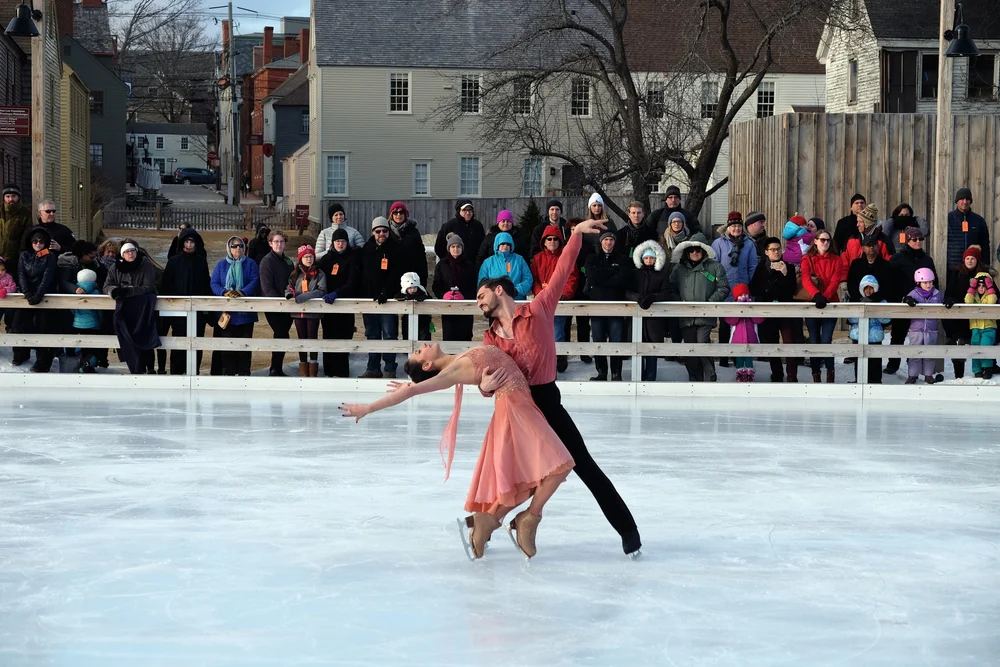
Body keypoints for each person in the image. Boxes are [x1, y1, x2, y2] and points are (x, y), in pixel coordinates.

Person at [472, 217, 642, 557]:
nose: (478, 301)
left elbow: (562, 270)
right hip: (516, 410)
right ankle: (491, 523)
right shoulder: (489, 338)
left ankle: (628, 531)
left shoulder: (538, 311)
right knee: (522, 476)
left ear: (499, 290)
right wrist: (485, 388)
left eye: (480, 294)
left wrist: (576, 235)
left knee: (582, 464)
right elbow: (483, 380)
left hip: (547, 402)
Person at [342, 343, 575, 559]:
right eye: (418, 352)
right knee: (558, 465)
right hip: (515, 410)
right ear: (427, 365)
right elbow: (412, 393)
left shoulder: (458, 359)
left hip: (522, 405)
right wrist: (369, 407)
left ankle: (488, 520)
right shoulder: (452, 372)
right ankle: (528, 518)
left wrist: (413, 385)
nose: (421, 346)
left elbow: (415, 388)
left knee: (540, 473)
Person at [669, 239, 730, 382]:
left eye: (698, 250)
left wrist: (709, 303)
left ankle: (709, 374)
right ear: (687, 252)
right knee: (690, 346)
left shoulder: (715, 267)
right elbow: (671, 288)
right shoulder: (679, 269)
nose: (695, 253)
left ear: (704, 251)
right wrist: (679, 302)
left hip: (706, 314)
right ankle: (694, 377)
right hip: (686, 315)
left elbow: (724, 287)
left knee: (702, 342)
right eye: (692, 250)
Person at [157, 227, 211, 375]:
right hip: (178, 311)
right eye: (187, 241)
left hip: (198, 311)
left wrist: (208, 311)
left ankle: (194, 373)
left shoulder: (201, 262)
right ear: (182, 243)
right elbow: (166, 286)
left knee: (196, 342)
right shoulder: (174, 261)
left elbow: (206, 285)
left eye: (192, 242)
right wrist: (166, 311)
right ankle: (176, 373)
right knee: (178, 343)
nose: (189, 244)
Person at [886, 226, 938, 374]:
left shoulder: (927, 259)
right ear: (907, 240)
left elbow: (934, 281)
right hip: (903, 302)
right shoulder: (897, 258)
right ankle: (893, 364)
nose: (918, 242)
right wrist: (899, 298)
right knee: (898, 334)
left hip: (923, 304)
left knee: (920, 335)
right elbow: (890, 282)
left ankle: (915, 362)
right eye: (914, 239)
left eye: (920, 239)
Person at [105, 242, 159, 374]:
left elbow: (148, 286)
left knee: (145, 338)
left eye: (132, 251)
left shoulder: (145, 265)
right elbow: (107, 285)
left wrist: (128, 291)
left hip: (143, 309)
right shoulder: (115, 267)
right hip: (124, 311)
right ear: (122, 254)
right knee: (127, 340)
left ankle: (150, 368)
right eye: (127, 252)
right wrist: (114, 291)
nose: (130, 254)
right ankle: (136, 369)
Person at [749, 237, 799, 382]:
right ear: (766, 252)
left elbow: (792, 291)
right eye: (773, 250)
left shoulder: (788, 267)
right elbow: (754, 289)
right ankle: (777, 374)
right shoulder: (761, 268)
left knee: (789, 343)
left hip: (785, 311)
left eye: (778, 249)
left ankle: (792, 376)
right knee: (772, 343)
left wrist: (785, 275)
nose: (777, 252)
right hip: (768, 311)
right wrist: (769, 280)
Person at [800, 230, 847, 383]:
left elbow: (835, 281)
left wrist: (825, 296)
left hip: (830, 303)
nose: (825, 242)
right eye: (822, 240)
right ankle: (816, 374)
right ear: (815, 241)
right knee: (814, 340)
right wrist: (816, 295)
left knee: (826, 340)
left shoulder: (837, 259)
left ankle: (830, 373)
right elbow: (805, 279)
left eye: (827, 240)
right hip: (812, 303)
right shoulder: (807, 258)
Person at [712, 211, 758, 366]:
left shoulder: (749, 244)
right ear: (728, 227)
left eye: (739, 226)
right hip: (724, 290)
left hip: (742, 291)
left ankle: (740, 357)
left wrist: (749, 285)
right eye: (733, 226)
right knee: (724, 325)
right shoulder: (718, 244)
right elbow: (714, 266)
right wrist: (717, 284)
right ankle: (724, 357)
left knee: (740, 325)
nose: (736, 229)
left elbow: (752, 265)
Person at [584, 231, 631, 381]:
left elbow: (622, 280)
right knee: (598, 340)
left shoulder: (623, 259)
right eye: (606, 240)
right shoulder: (592, 258)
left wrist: (601, 276)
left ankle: (616, 372)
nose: (608, 243)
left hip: (616, 306)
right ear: (601, 242)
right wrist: (612, 271)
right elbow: (592, 277)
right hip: (597, 306)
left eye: (611, 240)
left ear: (614, 242)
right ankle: (602, 372)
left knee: (616, 340)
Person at [531, 224, 579, 373]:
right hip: (542, 301)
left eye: (555, 239)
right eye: (549, 239)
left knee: (558, 332)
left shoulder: (565, 257)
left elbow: (572, 277)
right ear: (544, 241)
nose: (552, 242)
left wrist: (565, 294)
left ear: (560, 241)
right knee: (540, 333)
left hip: (558, 301)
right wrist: (540, 294)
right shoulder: (537, 258)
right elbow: (534, 279)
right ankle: (543, 361)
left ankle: (559, 359)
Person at [210, 236, 260, 376]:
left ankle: (244, 373)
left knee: (244, 345)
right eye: (234, 246)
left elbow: (255, 280)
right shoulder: (221, 265)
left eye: (241, 246)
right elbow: (214, 283)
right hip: (227, 313)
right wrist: (224, 292)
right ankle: (228, 373)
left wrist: (242, 292)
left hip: (245, 313)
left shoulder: (251, 264)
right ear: (229, 248)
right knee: (228, 346)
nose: (238, 248)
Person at [359, 216, 402, 379]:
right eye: (378, 231)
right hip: (370, 299)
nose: (382, 234)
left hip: (388, 300)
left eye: (385, 230)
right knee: (372, 333)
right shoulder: (367, 248)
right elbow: (362, 273)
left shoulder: (395, 249)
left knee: (389, 334)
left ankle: (390, 368)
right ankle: (373, 367)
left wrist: (387, 291)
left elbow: (396, 274)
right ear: (373, 232)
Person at [11, 228, 58, 371]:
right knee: (18, 325)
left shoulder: (50, 256)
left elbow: (47, 276)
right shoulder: (24, 255)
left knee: (43, 328)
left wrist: (38, 295)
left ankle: (42, 362)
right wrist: (26, 292)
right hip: (27, 295)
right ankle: (20, 354)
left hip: (44, 296)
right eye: (35, 241)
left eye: (41, 241)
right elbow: (21, 274)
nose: (38, 244)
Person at [943, 246, 991, 379]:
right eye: (967, 258)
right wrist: (950, 299)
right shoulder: (956, 273)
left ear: (977, 260)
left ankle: (984, 370)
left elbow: (994, 292)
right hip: (960, 318)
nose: (970, 261)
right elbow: (949, 291)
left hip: (979, 317)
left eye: (973, 258)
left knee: (983, 343)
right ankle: (959, 376)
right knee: (959, 346)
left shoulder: (984, 275)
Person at [626, 241, 671, 381]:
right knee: (637, 347)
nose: (649, 260)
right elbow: (626, 291)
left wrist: (653, 297)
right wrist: (637, 297)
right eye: (646, 258)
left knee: (652, 348)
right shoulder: (634, 274)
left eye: (652, 258)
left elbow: (667, 293)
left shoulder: (661, 275)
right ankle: (637, 376)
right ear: (642, 259)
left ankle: (651, 377)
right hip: (637, 316)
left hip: (654, 318)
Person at [317, 228, 359, 377]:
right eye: (337, 241)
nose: (340, 244)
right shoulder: (326, 259)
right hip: (328, 304)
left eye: (343, 241)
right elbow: (320, 279)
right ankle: (328, 370)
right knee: (329, 335)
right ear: (332, 243)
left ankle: (342, 372)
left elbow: (352, 282)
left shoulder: (352, 258)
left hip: (345, 303)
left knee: (344, 336)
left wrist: (338, 293)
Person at [388, 201, 430, 340]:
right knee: (392, 314)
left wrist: (421, 280)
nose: (398, 215)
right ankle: (395, 346)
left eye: (401, 212)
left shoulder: (413, 231)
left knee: (411, 313)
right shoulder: (387, 231)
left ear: (406, 214)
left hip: (412, 278)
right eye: (395, 212)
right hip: (393, 277)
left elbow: (421, 255)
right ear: (391, 215)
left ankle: (411, 343)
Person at [285, 244, 326, 377]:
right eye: (306, 257)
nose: (309, 259)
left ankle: (313, 367)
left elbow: (321, 290)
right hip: (298, 313)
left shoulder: (319, 273)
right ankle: (303, 368)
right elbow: (289, 286)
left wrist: (303, 297)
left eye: (311, 256)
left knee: (312, 338)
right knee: (301, 339)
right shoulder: (295, 274)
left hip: (313, 312)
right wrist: (289, 294)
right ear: (301, 259)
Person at [258, 230, 295, 376]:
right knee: (281, 334)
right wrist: (278, 303)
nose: (279, 244)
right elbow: (267, 287)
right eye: (276, 241)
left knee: (282, 335)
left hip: (287, 305)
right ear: (270, 243)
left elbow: (293, 280)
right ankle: (275, 368)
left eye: (282, 241)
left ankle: (276, 367)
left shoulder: (288, 261)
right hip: (273, 305)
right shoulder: (267, 261)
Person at [902, 268, 945, 384]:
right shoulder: (914, 294)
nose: (928, 285)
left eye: (930, 282)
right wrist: (907, 300)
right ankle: (913, 375)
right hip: (916, 328)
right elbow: (905, 302)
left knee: (929, 352)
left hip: (931, 328)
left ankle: (928, 375)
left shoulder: (936, 294)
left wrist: (947, 301)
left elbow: (943, 303)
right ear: (919, 283)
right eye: (925, 282)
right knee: (915, 352)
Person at [847, 275, 892, 384]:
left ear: (875, 289)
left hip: (874, 335)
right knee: (859, 359)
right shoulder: (856, 301)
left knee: (875, 360)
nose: (868, 291)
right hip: (858, 334)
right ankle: (859, 380)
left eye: (871, 288)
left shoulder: (881, 301)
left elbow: (886, 319)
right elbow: (851, 318)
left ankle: (875, 380)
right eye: (865, 288)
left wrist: (875, 310)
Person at [433, 233, 477, 341]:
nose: (456, 249)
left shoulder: (469, 266)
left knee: (465, 336)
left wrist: (464, 296)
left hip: (466, 306)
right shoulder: (442, 265)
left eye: (458, 246)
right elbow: (436, 285)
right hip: (448, 306)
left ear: (462, 248)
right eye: (453, 246)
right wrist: (444, 295)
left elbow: (474, 286)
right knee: (449, 336)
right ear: (449, 248)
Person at [724, 283, 763, 382]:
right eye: (741, 295)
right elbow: (731, 321)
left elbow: (758, 320)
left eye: (746, 294)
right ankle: (740, 373)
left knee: (749, 357)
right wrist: (740, 310)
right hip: (738, 338)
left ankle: (749, 373)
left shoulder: (752, 306)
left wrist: (750, 309)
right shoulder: (734, 308)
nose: (744, 297)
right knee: (739, 357)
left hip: (750, 337)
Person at [477, 231, 532, 298]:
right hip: (495, 300)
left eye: (508, 244)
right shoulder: (488, 262)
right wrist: (493, 292)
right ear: (497, 245)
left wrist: (516, 290)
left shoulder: (519, 260)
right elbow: (482, 281)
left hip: (516, 299)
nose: (505, 246)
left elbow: (528, 279)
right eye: (502, 244)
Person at [947, 187, 991, 268]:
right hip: (953, 266)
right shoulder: (948, 218)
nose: (965, 202)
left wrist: (985, 265)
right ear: (957, 201)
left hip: (973, 266)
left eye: (967, 199)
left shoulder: (979, 220)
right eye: (962, 199)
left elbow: (985, 245)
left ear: (970, 201)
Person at [965, 272, 997, 378]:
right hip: (975, 327)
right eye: (979, 285)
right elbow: (967, 301)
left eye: (984, 286)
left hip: (989, 327)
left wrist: (990, 286)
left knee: (985, 346)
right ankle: (977, 370)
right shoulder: (974, 296)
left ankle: (987, 368)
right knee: (975, 347)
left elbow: (992, 301)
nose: (981, 288)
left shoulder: (989, 295)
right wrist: (972, 287)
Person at [70, 268, 102, 373]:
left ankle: (83, 364)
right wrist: (100, 321)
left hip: (78, 323)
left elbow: (73, 309)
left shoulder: (76, 292)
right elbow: (100, 310)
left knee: (83, 347)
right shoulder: (96, 292)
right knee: (92, 347)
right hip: (93, 324)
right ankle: (88, 366)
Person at [0, 184, 31, 273]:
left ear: (18, 197)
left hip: (15, 258)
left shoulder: (25, 213)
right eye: (8, 196)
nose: (10, 199)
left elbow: (27, 236)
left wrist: (21, 255)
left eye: (13, 196)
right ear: (4, 198)